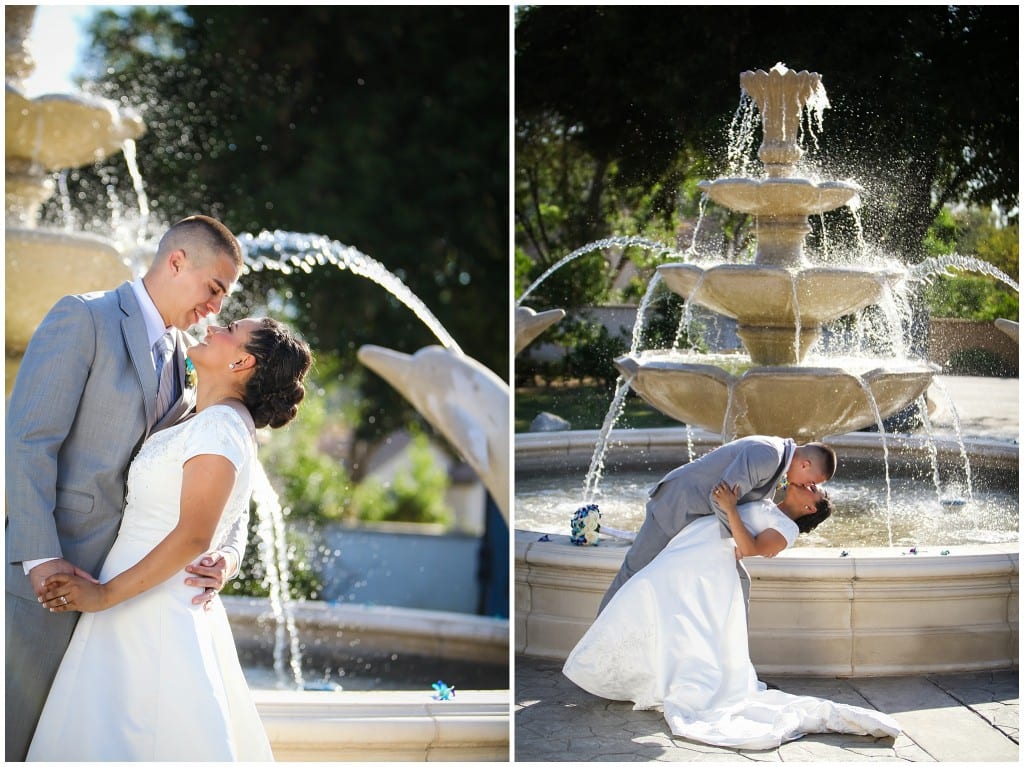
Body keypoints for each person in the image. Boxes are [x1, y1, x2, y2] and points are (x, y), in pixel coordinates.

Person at [5, 215, 247, 761]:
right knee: (14, 740)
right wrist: (40, 558)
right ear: (177, 261)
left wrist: (227, 556)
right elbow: (27, 440)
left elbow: (230, 477)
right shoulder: (83, 317)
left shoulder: (192, 363)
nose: (216, 308)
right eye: (214, 289)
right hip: (50, 581)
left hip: (122, 602)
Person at [27, 316, 312, 761]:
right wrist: (231, 559)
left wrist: (103, 595)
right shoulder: (211, 419)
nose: (215, 326)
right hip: (139, 604)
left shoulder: (219, 426)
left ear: (241, 360)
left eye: (230, 328)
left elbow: (194, 536)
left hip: (149, 611)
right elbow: (231, 519)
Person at [563, 481, 902, 750]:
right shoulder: (770, 500)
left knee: (648, 593)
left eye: (814, 488)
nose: (808, 483)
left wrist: (728, 507)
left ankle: (639, 675)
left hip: (705, 567)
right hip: (694, 552)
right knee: (649, 602)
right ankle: (630, 673)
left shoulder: (788, 529)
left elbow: (751, 548)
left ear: (810, 507)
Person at [599, 436, 836, 614]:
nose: (807, 486)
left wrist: (760, 542)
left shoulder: (776, 458)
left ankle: (734, 662)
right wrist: (744, 544)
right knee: (633, 573)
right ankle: (594, 651)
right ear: (805, 464)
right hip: (677, 508)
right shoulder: (769, 455)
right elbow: (720, 497)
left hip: (695, 523)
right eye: (812, 482)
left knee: (738, 582)